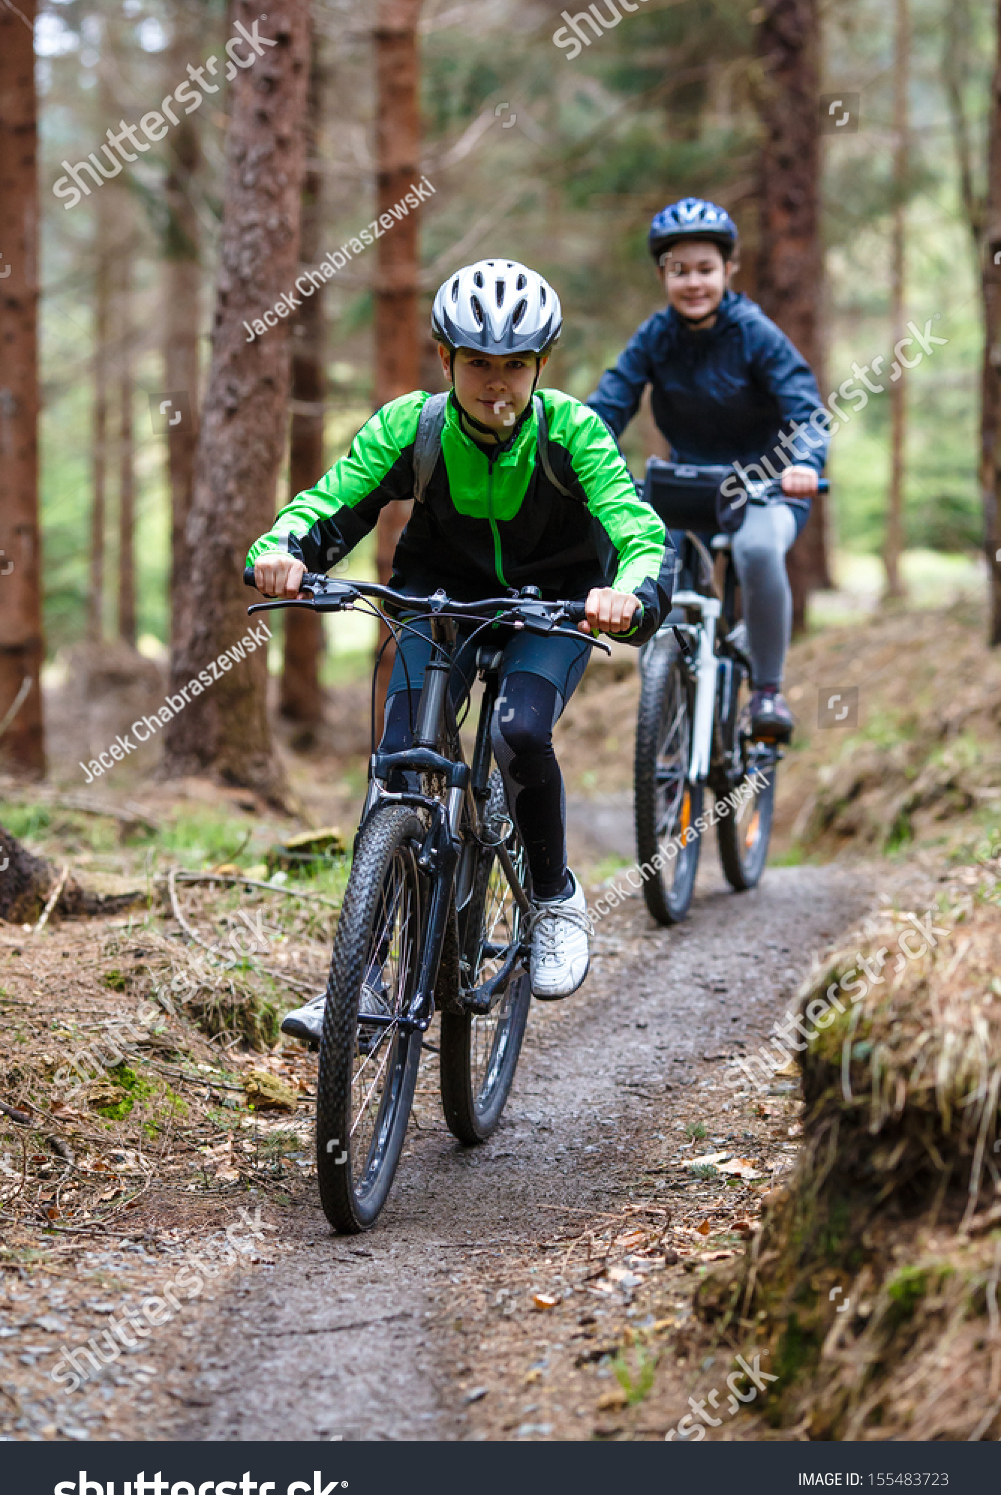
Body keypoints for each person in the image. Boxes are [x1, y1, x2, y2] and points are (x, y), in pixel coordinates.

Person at [247, 259, 674, 1037]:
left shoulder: (571, 432)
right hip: (433, 602)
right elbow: (333, 499)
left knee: (515, 733)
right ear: (445, 361)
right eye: (478, 362)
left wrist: (630, 594)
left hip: (550, 608)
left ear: (539, 366)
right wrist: (284, 549)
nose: (496, 382)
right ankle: (366, 977)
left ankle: (552, 900)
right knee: (400, 765)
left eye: (515, 364)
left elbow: (636, 529)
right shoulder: (411, 427)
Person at [587, 197, 828, 739]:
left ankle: (766, 693)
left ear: (728, 270)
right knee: (654, 560)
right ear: (662, 275)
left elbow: (806, 411)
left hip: (766, 485)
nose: (693, 282)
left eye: (705, 269)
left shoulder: (755, 333)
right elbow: (607, 406)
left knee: (758, 549)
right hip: (689, 488)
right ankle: (669, 706)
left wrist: (805, 465)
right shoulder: (655, 337)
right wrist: (572, 454)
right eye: (679, 270)